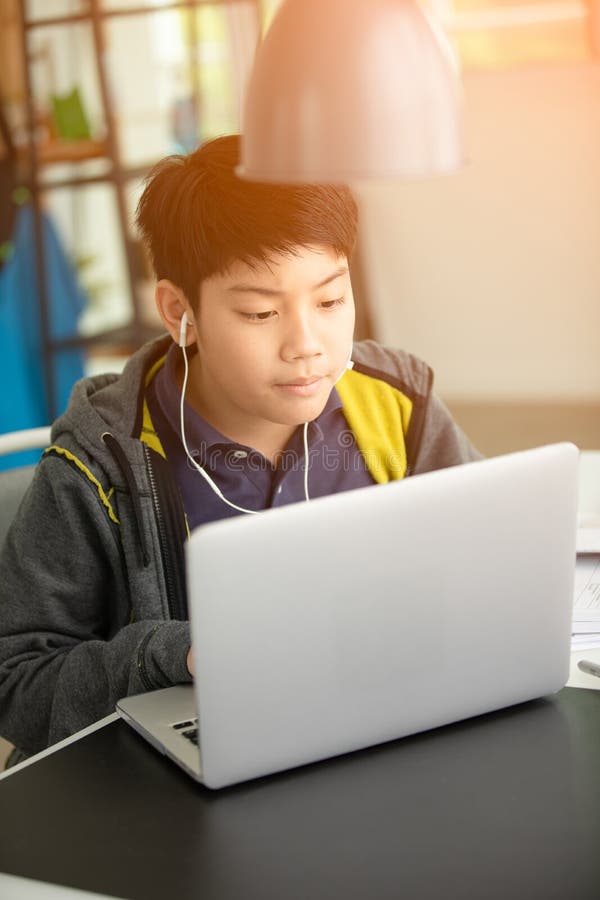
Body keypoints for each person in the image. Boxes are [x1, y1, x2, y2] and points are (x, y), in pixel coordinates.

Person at [0, 134, 480, 761]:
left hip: (383, 730)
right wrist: (179, 655)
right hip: (169, 791)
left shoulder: (398, 405)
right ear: (181, 312)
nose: (307, 343)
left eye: (331, 300)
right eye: (260, 313)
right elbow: (16, 678)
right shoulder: (97, 466)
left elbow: (480, 563)